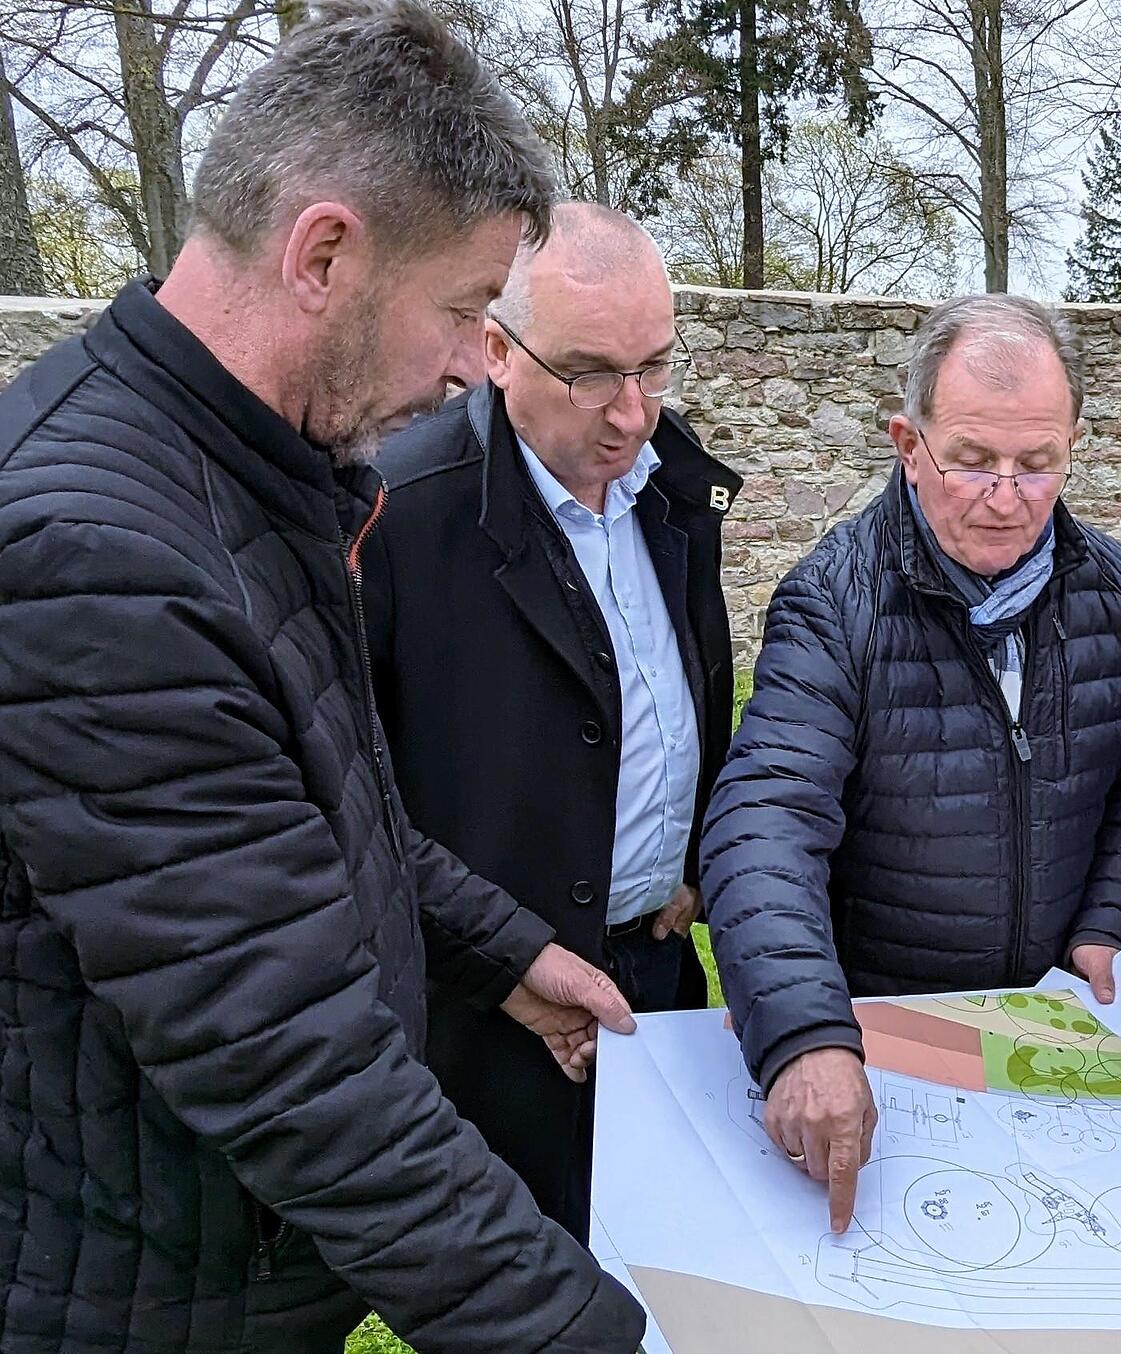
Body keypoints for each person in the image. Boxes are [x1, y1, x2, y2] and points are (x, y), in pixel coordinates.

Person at [0, 5, 646, 1352]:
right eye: (469, 310)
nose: (480, 361)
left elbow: (315, 806)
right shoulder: (103, 556)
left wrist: (505, 949)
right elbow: (299, 1070)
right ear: (327, 254)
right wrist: (597, 1335)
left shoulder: (264, 471)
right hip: (143, 1300)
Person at [700, 293, 1121, 1232]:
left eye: (1038, 464)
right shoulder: (834, 599)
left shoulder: (1117, 591)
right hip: (889, 1049)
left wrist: (1107, 923)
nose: (1007, 497)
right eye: (972, 462)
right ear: (907, 442)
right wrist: (805, 1032)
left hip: (1054, 1037)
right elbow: (767, 817)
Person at [364, 201, 741, 1242]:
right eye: (586, 373)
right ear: (494, 347)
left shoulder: (672, 486)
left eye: (655, 365)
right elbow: (343, 802)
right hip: (487, 1022)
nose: (630, 412)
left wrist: (699, 842)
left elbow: (688, 694)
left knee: (675, 1272)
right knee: (524, 1295)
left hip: (656, 978)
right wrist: (504, 959)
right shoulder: (397, 514)